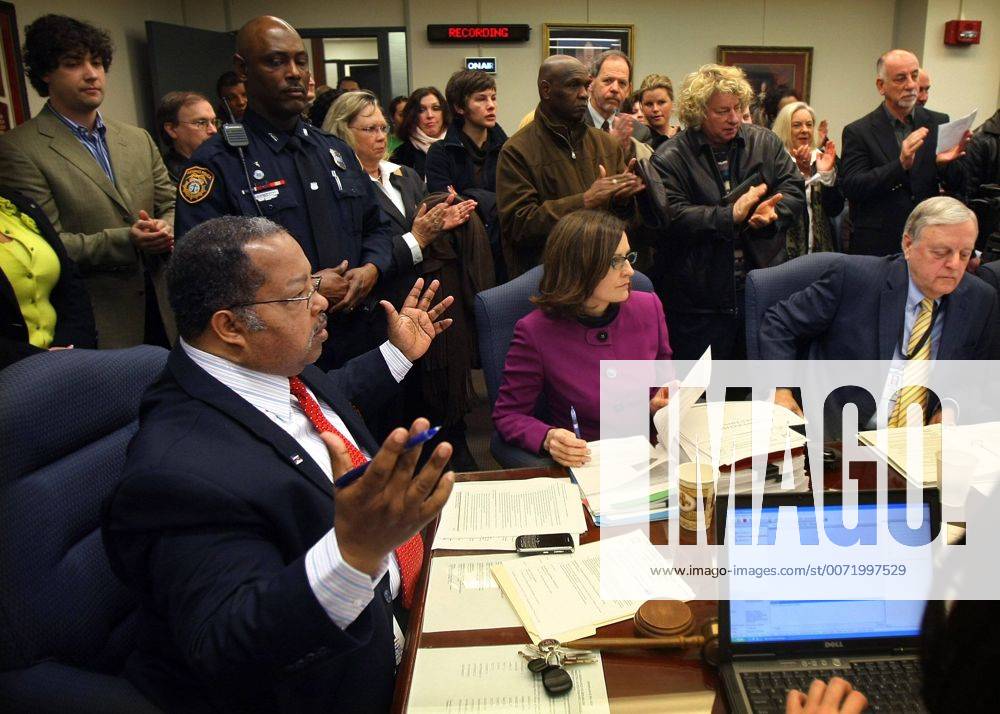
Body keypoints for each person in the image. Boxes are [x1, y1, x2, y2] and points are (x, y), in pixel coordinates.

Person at [102, 215, 455, 713]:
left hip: (414, 602)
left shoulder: (276, 369)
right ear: (230, 327)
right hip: (351, 675)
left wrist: (397, 354)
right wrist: (353, 552)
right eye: (297, 296)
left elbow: (334, 403)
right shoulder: (176, 474)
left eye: (312, 283)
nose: (321, 301)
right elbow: (229, 645)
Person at [174, 15, 395, 370]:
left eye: (300, 61)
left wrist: (371, 268)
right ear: (243, 70)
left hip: (359, 338)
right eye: (275, 61)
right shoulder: (220, 163)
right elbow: (201, 274)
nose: (294, 72)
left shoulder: (333, 151)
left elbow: (378, 226)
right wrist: (304, 288)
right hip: (277, 354)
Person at [323, 91, 487, 470]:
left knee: (434, 413)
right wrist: (417, 237)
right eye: (368, 129)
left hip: (421, 305)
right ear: (342, 133)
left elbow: (423, 237)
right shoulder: (340, 187)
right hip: (375, 314)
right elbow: (360, 254)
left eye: (383, 127)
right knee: (393, 422)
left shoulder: (406, 175)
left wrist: (440, 223)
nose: (381, 136)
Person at [0, 14, 176, 349]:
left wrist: (165, 228)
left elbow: (170, 202)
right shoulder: (19, 149)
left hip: (164, 306)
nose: (91, 73)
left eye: (97, 62)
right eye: (73, 63)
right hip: (100, 316)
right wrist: (127, 239)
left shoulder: (137, 138)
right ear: (45, 73)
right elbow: (44, 245)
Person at [762, 197, 998, 430]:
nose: (954, 264)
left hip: (921, 443)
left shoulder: (980, 299)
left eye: (965, 254)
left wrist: (950, 406)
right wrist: (780, 389)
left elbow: (976, 377)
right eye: (940, 252)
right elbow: (779, 322)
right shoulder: (856, 278)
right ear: (908, 245)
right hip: (841, 433)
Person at [492, 210, 671, 466]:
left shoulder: (648, 307)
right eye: (615, 262)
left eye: (629, 257)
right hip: (588, 460)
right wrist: (548, 437)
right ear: (580, 268)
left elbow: (662, 379)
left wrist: (657, 402)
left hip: (650, 452)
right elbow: (508, 415)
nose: (630, 271)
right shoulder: (535, 331)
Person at [650, 63, 804, 360]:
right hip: (698, 302)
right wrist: (730, 216)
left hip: (759, 290)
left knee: (755, 393)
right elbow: (672, 218)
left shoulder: (765, 142)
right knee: (702, 395)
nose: (734, 118)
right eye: (723, 111)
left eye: (738, 108)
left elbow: (794, 189)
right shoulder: (670, 157)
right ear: (698, 112)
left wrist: (774, 213)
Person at [496, 55, 644, 278]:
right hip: (550, 278)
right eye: (573, 85)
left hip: (603, 273)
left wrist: (623, 201)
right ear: (546, 90)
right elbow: (519, 226)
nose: (584, 93)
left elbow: (628, 226)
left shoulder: (606, 144)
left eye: (586, 85)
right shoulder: (517, 150)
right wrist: (584, 201)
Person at [840, 50, 969, 257]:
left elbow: (960, 186)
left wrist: (946, 165)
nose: (911, 85)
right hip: (877, 246)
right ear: (881, 86)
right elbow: (853, 187)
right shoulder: (859, 131)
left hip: (927, 241)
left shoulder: (938, 122)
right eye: (901, 78)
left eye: (914, 76)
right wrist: (899, 165)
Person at [0, 185, 96, 369]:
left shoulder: (16, 205)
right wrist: (39, 359)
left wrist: (72, 347)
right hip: (11, 374)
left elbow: (70, 283)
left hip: (67, 363)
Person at [425, 70, 509, 280]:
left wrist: (470, 196)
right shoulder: (441, 151)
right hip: (463, 253)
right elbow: (447, 206)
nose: (491, 105)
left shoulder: (508, 149)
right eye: (481, 99)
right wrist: (492, 202)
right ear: (459, 107)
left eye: (493, 97)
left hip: (505, 250)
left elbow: (512, 203)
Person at [771, 101, 845, 257]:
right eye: (797, 125)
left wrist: (826, 176)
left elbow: (835, 209)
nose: (805, 130)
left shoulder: (823, 158)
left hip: (821, 253)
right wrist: (803, 174)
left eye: (809, 125)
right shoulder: (774, 161)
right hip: (785, 254)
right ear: (785, 128)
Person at [583, 50, 653, 153]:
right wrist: (613, 145)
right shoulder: (572, 125)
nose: (615, 88)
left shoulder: (639, 133)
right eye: (608, 80)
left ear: (628, 90)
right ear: (591, 83)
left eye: (622, 83)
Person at [155, 91, 218, 183]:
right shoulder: (163, 177)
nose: (213, 130)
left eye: (213, 122)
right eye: (201, 123)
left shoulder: (225, 163)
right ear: (171, 129)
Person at [389, 87, 449, 179]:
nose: (430, 115)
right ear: (412, 115)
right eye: (421, 110)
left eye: (435, 108)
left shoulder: (459, 144)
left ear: (444, 112)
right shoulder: (400, 155)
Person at [637, 74, 679, 151]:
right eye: (649, 104)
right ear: (641, 107)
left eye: (661, 102)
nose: (655, 109)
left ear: (672, 104)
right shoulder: (638, 143)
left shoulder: (684, 137)